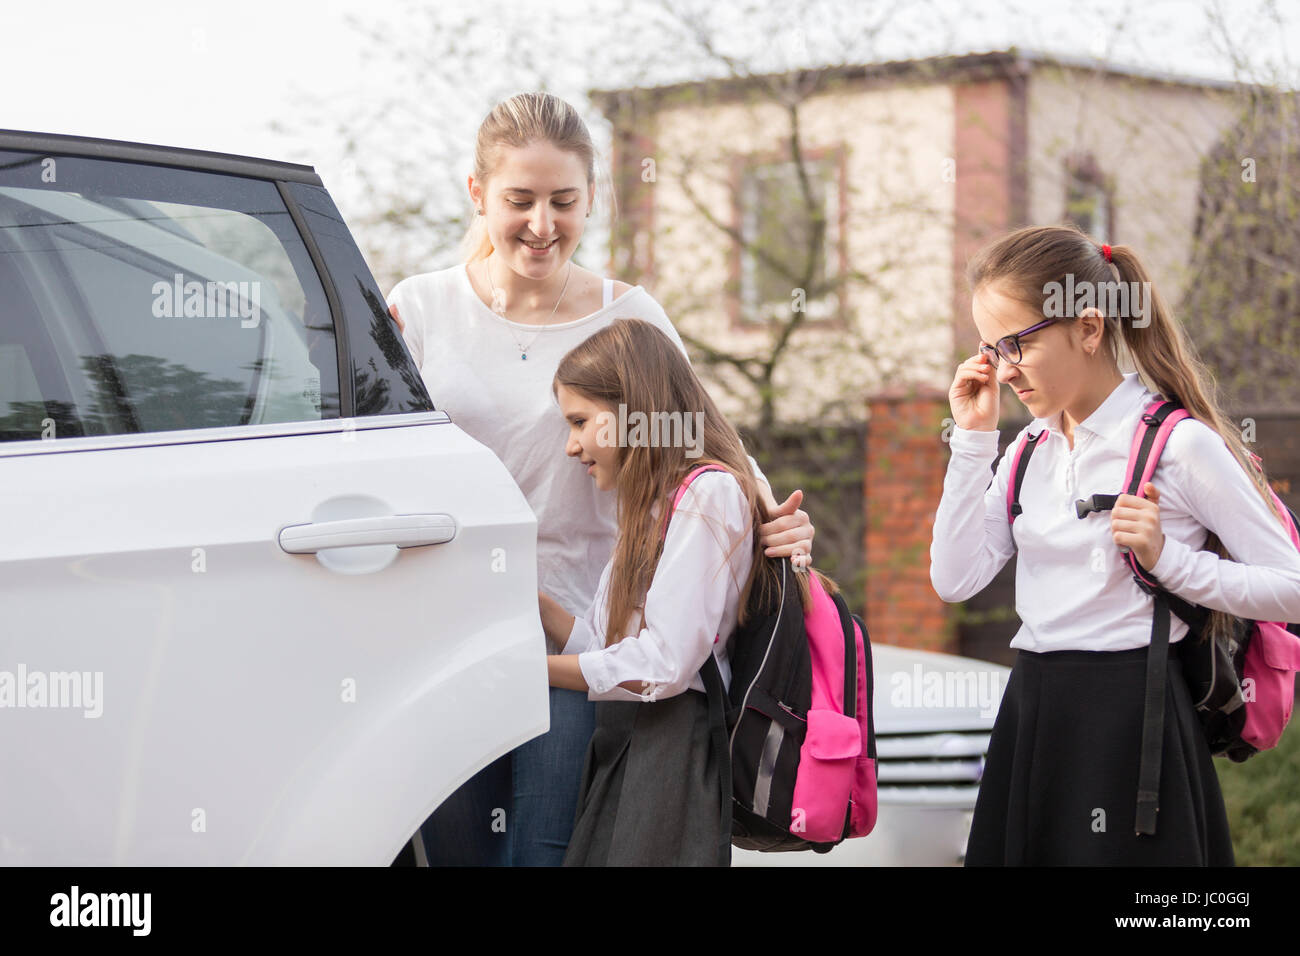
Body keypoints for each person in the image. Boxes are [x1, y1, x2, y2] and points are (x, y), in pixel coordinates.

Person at [387, 91, 815, 866]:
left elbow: (707, 437)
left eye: (565, 201)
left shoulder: (628, 314)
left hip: (586, 628)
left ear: (592, 201)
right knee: (454, 851)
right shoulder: (420, 309)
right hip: (450, 625)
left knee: (544, 852)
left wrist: (774, 516)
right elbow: (377, 452)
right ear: (479, 194)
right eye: (520, 200)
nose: (542, 224)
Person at [930, 224, 1300, 865]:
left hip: (1137, 720)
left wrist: (1170, 562)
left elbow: (1290, 585)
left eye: (1016, 343)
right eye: (990, 348)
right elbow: (953, 580)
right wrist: (971, 443)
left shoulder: (1179, 445)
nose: (1003, 369)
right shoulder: (1026, 451)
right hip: (1035, 714)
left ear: (1090, 328)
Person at [540, 318, 777, 866]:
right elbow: (608, 651)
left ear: (634, 412)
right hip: (631, 737)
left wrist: (529, 668)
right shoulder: (651, 507)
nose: (572, 446)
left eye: (579, 422)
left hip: (672, 747)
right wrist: (539, 609)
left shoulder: (707, 493)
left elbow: (663, 666)